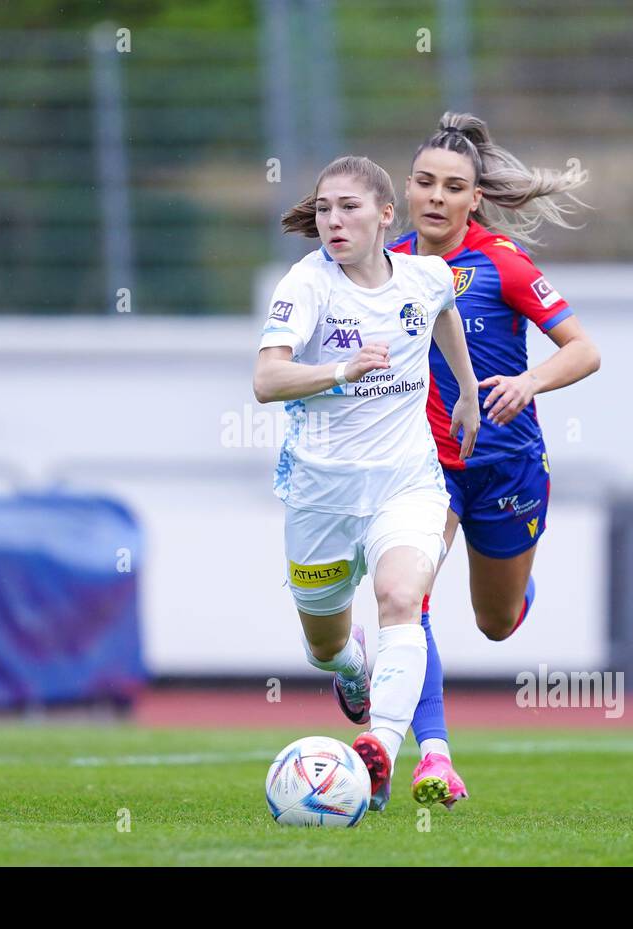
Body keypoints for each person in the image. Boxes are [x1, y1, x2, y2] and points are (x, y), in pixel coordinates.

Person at [386, 112, 602, 808]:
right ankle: (434, 758)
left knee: (495, 622)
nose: (437, 197)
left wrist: (528, 381)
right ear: (408, 189)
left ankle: (515, 587)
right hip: (425, 468)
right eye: (425, 183)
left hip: (506, 465)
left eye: (453, 187)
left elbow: (583, 349)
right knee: (404, 599)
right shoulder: (382, 266)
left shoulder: (501, 262)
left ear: (474, 198)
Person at [253, 155, 481, 811]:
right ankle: (351, 670)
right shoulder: (307, 285)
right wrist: (340, 371)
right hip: (321, 496)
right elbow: (267, 380)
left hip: (406, 484)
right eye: (324, 209)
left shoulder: (426, 274)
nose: (332, 221)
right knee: (324, 646)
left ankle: (377, 749)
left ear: (387, 215)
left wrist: (465, 390)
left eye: (348, 207)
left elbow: (441, 312)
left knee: (402, 597)